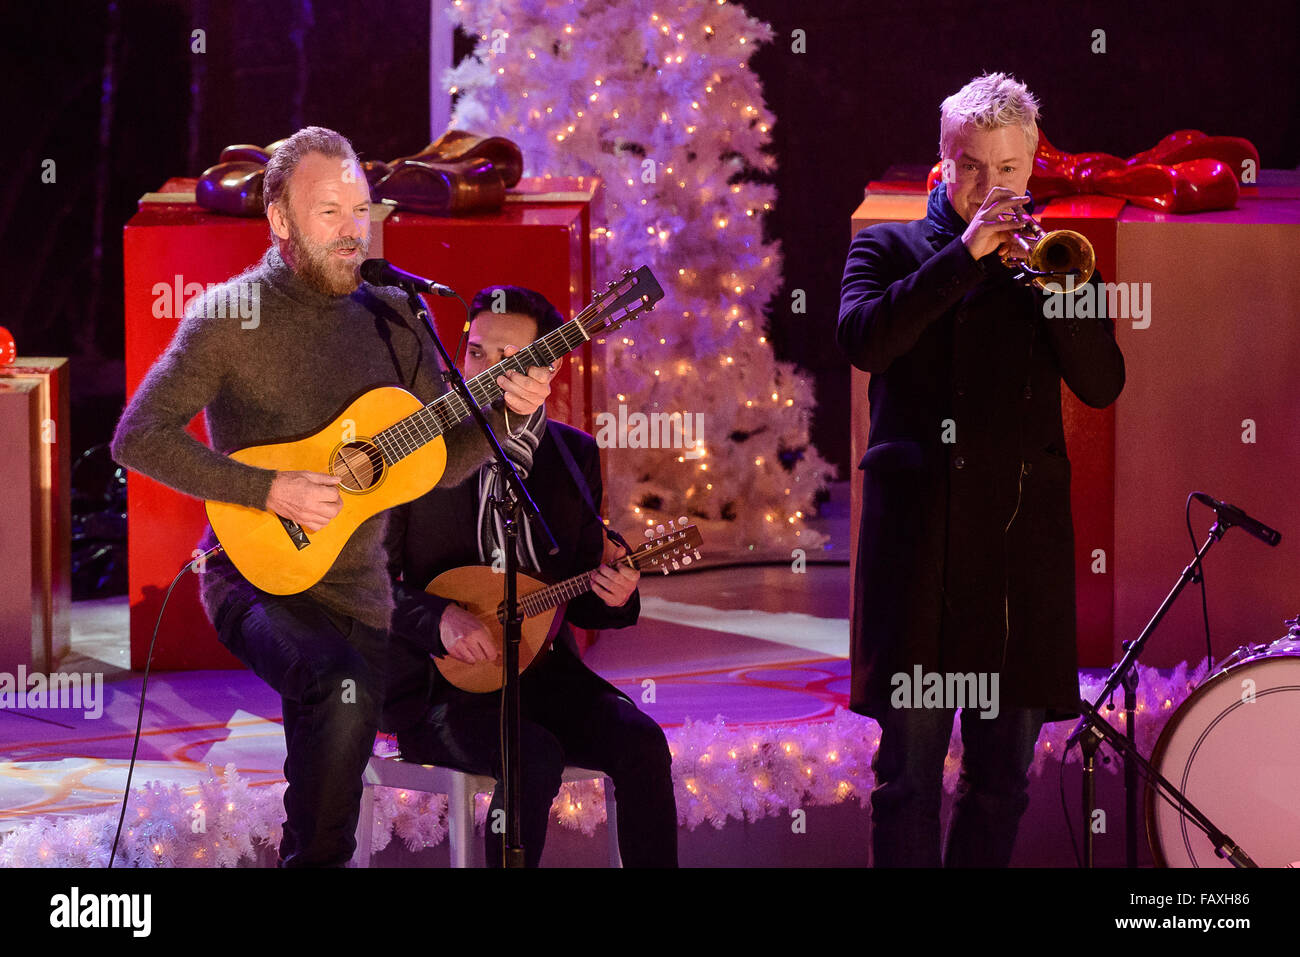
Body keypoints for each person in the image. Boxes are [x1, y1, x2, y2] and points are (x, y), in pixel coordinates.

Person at [111, 127, 552, 867]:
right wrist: (267, 488)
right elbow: (138, 436)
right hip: (250, 571)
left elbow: (434, 463)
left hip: (357, 586)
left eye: (361, 209)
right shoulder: (231, 317)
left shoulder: (396, 316)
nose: (354, 229)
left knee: (334, 794)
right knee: (336, 684)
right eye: (329, 212)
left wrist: (509, 413)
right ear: (279, 218)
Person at [837, 73, 1125, 867]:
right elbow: (865, 342)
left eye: (1005, 170)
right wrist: (964, 259)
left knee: (1002, 783)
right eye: (970, 166)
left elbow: (1101, 383)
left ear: (1030, 168)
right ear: (943, 160)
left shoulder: (1057, 262)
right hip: (920, 558)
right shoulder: (887, 247)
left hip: (1016, 566)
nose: (987, 186)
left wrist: (1058, 286)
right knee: (907, 781)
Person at [383, 285, 678, 867]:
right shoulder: (419, 450)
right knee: (532, 755)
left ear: (550, 365)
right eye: (475, 354)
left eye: (508, 360)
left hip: (541, 674)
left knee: (642, 741)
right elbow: (365, 582)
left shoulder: (573, 455)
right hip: (438, 687)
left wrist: (617, 593)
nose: (487, 374)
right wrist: (438, 617)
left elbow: (579, 597)